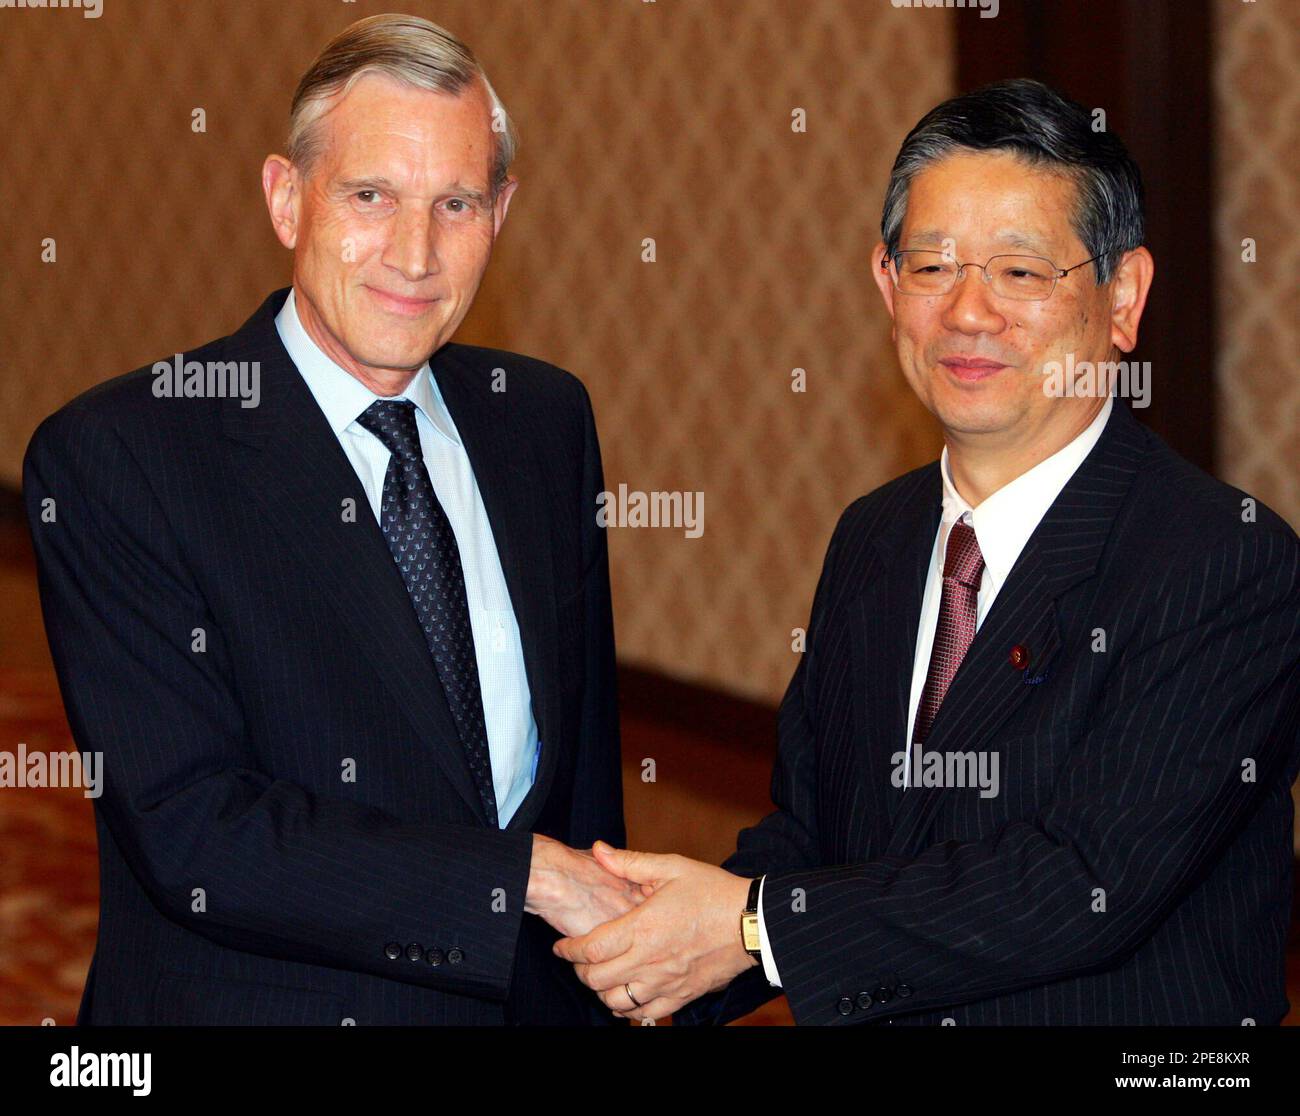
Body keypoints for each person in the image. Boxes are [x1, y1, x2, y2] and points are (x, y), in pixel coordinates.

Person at [555, 79, 1300, 1026]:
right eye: (932, 267)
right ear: (885, 285)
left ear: (1124, 298)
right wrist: (647, 947)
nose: (969, 312)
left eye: (1023, 273)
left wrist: (752, 926)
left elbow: (1079, 888)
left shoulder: (1222, 564)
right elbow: (816, 840)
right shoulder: (878, 536)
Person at [24, 13, 634, 1026]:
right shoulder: (124, 455)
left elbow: (580, 787)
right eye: (370, 196)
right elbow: (195, 832)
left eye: (456, 203)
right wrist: (518, 877)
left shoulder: (541, 420)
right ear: (284, 198)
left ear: (502, 212)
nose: (415, 251)